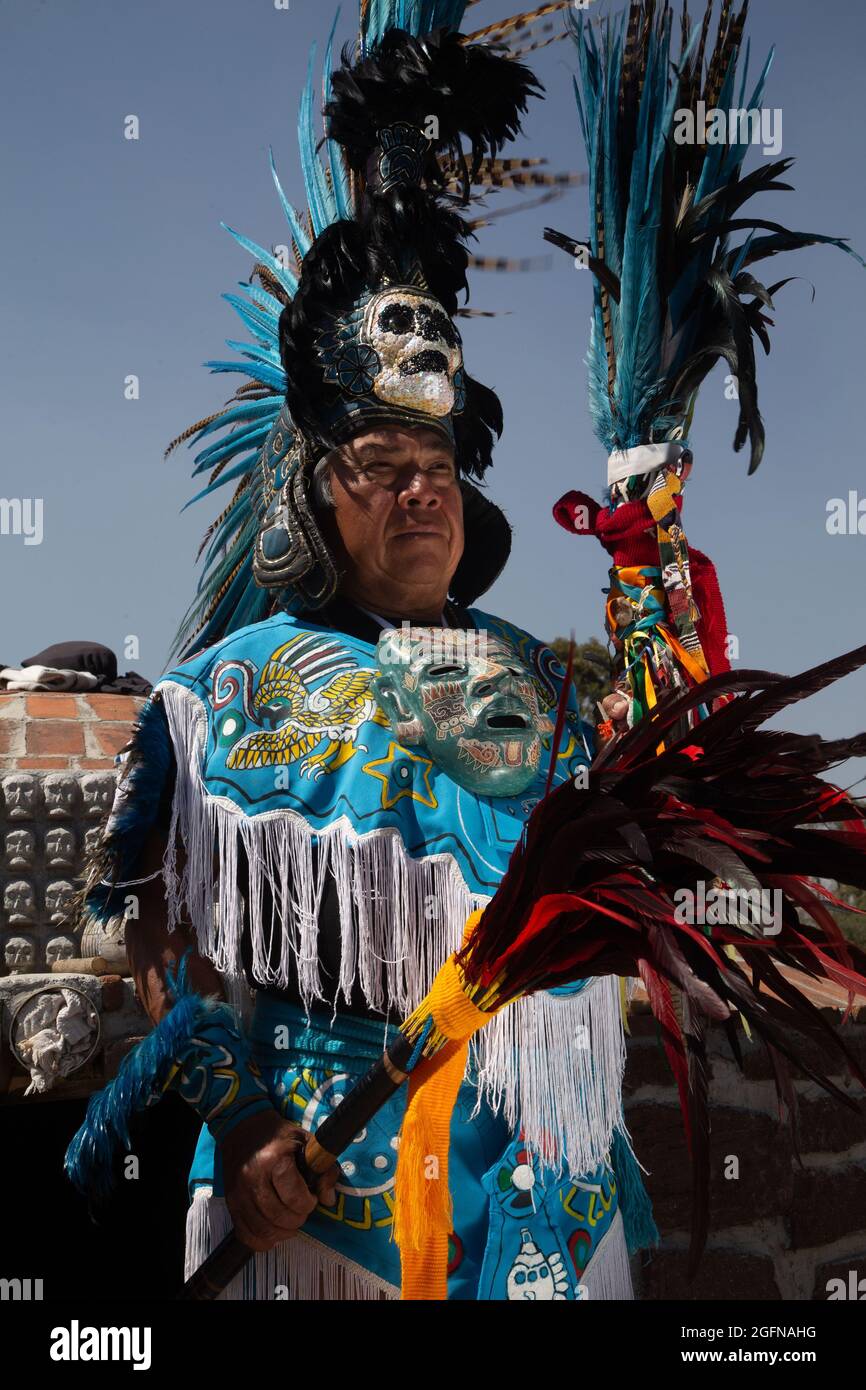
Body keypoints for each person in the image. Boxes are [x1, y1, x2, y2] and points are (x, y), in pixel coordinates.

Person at [68, 4, 652, 1301]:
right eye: (379, 468)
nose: (418, 491)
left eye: (437, 466)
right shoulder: (208, 696)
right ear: (310, 496)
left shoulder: (552, 690)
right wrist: (235, 1115)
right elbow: (143, 923)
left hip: (550, 1209)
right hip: (328, 1212)